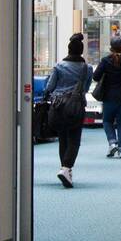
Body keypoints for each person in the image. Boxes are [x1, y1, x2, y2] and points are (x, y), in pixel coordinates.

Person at [44, 33, 93, 188]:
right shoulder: (87, 68)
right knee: (74, 139)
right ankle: (66, 168)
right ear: (81, 51)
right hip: (76, 106)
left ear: (69, 49)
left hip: (57, 106)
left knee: (63, 138)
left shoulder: (59, 66)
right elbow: (85, 88)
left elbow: (49, 87)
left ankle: (64, 168)